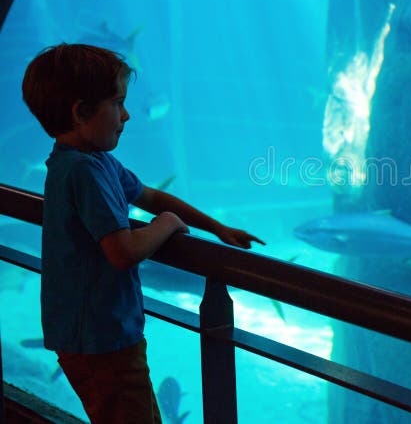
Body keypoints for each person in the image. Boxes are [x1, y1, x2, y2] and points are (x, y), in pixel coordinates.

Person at [21, 43, 265, 423]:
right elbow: (122, 251)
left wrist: (216, 228)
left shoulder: (92, 161)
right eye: (117, 103)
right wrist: (165, 224)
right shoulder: (83, 172)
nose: (127, 114)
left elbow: (150, 195)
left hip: (99, 336)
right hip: (101, 340)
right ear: (81, 111)